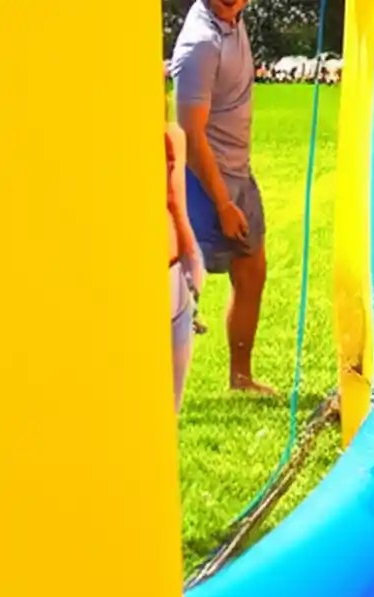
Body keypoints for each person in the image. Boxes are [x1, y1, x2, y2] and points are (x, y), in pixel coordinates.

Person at [170, 0, 275, 394]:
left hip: (238, 175)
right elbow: (191, 137)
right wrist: (222, 204)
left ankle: (241, 379)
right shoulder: (201, 43)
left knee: (251, 272)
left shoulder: (234, 19)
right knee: (180, 290)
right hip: (204, 185)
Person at [166, 68, 205, 414]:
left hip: (174, 277)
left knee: (169, 412)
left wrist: (192, 259)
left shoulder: (171, 136)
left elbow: (177, 203)